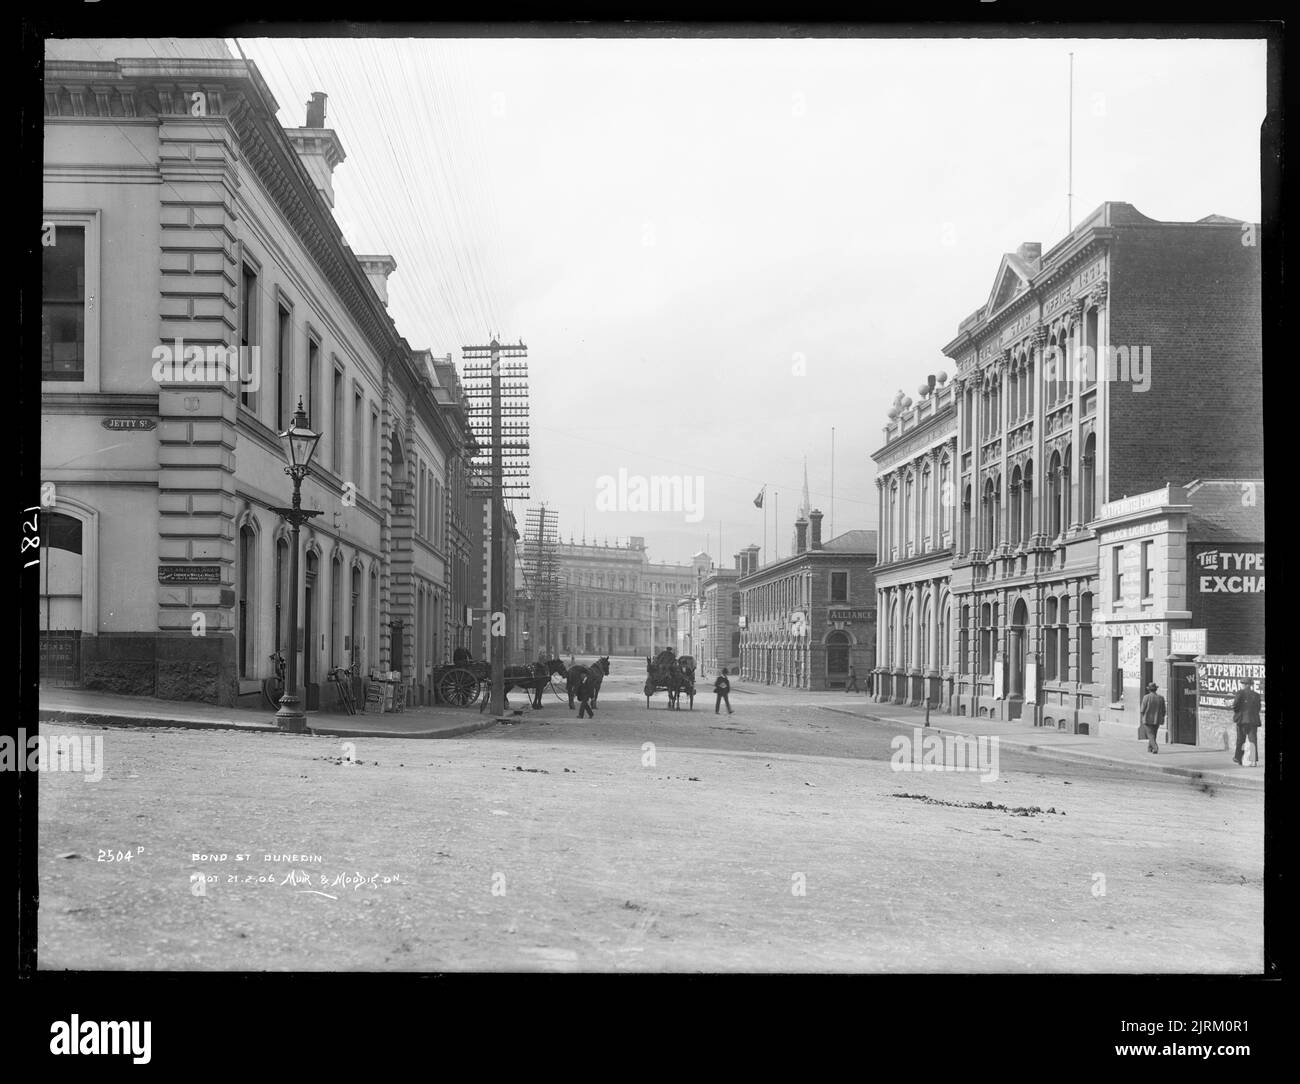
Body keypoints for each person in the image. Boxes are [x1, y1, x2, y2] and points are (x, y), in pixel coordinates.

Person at [1231, 677, 1262, 766]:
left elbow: (1235, 705)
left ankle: (1238, 758)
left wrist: (1237, 711)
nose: (1242, 685)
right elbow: (1258, 708)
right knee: (1253, 740)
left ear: (1246, 685)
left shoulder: (1240, 693)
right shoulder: (1256, 695)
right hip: (1253, 721)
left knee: (1240, 739)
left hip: (1242, 721)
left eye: (1242, 684)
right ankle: (1253, 761)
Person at [1139, 681, 1166, 754]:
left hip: (1147, 719)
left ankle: (1155, 747)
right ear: (1155, 689)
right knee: (1154, 734)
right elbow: (1164, 710)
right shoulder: (1161, 698)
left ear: (1149, 689)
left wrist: (1142, 716)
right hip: (1157, 719)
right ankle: (1149, 748)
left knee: (1150, 734)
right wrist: (1162, 716)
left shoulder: (1146, 697)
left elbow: (1142, 709)